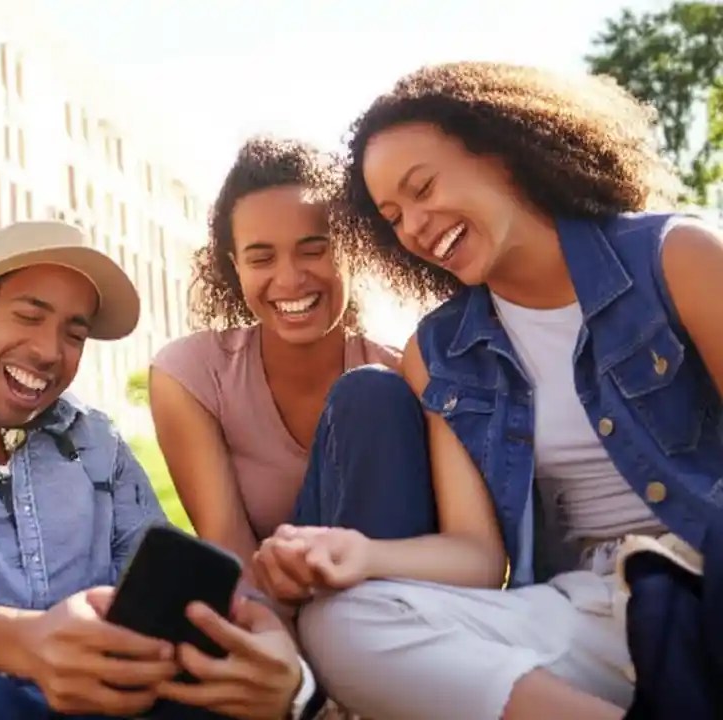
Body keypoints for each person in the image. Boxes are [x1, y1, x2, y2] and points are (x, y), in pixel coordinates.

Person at [254, 61, 723, 720]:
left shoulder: (678, 257)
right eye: (393, 217)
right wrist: (360, 554)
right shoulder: (439, 351)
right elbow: (477, 555)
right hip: (590, 612)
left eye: (422, 188)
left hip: (708, 570)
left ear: (503, 153)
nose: (414, 226)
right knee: (344, 622)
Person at [0, 220, 316, 720]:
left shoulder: (98, 442)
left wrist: (277, 655)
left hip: (99, 695)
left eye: (74, 333)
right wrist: (36, 646)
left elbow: (170, 577)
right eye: (28, 315)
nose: (49, 352)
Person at [149, 137, 433, 588]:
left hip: (392, 610)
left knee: (372, 393)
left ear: (352, 249)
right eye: (261, 258)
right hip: (273, 615)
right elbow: (230, 554)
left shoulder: (404, 376)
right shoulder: (192, 375)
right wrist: (287, 653)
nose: (289, 278)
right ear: (235, 266)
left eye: (313, 249)